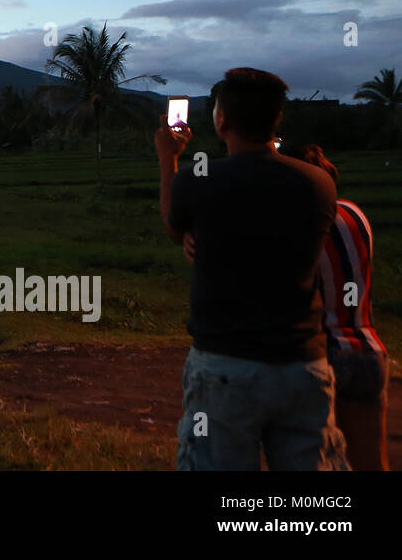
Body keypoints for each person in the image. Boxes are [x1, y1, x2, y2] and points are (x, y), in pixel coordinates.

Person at [157, 67, 347, 470]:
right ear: (277, 117)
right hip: (303, 366)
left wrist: (167, 158)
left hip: (225, 365)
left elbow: (175, 229)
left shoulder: (199, 180)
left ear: (221, 119)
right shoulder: (319, 183)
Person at [281, 144, 388, 470]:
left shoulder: (298, 225)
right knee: (371, 461)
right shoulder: (356, 213)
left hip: (320, 356)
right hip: (368, 351)